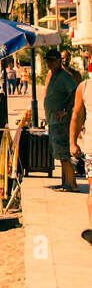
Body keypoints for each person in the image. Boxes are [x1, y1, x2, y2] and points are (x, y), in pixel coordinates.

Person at [43, 47, 80, 192]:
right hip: (53, 120)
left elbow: (74, 93)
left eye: (52, 61)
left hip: (61, 121)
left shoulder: (65, 77)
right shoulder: (52, 75)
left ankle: (72, 184)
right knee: (59, 153)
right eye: (48, 61)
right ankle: (66, 183)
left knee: (64, 153)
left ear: (59, 61)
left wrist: (65, 110)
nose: (50, 64)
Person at [70, 68, 91, 246]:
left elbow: (77, 115)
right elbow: (76, 115)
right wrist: (72, 142)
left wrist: (73, 142)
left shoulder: (84, 87)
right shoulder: (83, 87)